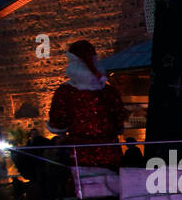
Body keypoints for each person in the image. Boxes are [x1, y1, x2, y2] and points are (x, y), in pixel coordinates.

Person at [46, 39, 126, 170]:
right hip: (110, 153)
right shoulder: (109, 92)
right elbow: (119, 120)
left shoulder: (65, 92)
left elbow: (58, 121)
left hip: (81, 155)